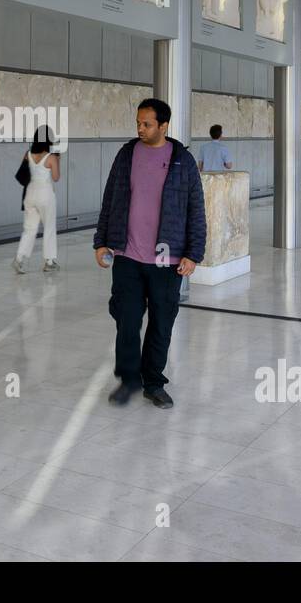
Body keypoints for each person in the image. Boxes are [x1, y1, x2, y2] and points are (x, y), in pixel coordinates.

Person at [94, 98, 206, 410]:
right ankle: (129, 380)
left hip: (166, 259)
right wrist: (100, 241)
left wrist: (193, 254)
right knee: (127, 322)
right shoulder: (127, 154)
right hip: (127, 255)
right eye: (138, 123)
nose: (140, 129)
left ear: (163, 125)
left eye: (147, 124)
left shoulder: (182, 160)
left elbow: (196, 210)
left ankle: (153, 382)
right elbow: (110, 199)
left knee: (161, 323)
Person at [14, 124, 61, 273]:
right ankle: (49, 261)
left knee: (29, 228)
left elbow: (24, 172)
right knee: (49, 227)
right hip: (45, 194)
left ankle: (19, 259)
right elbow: (56, 177)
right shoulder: (51, 157)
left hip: (30, 193)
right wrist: (58, 161)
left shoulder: (27, 154)